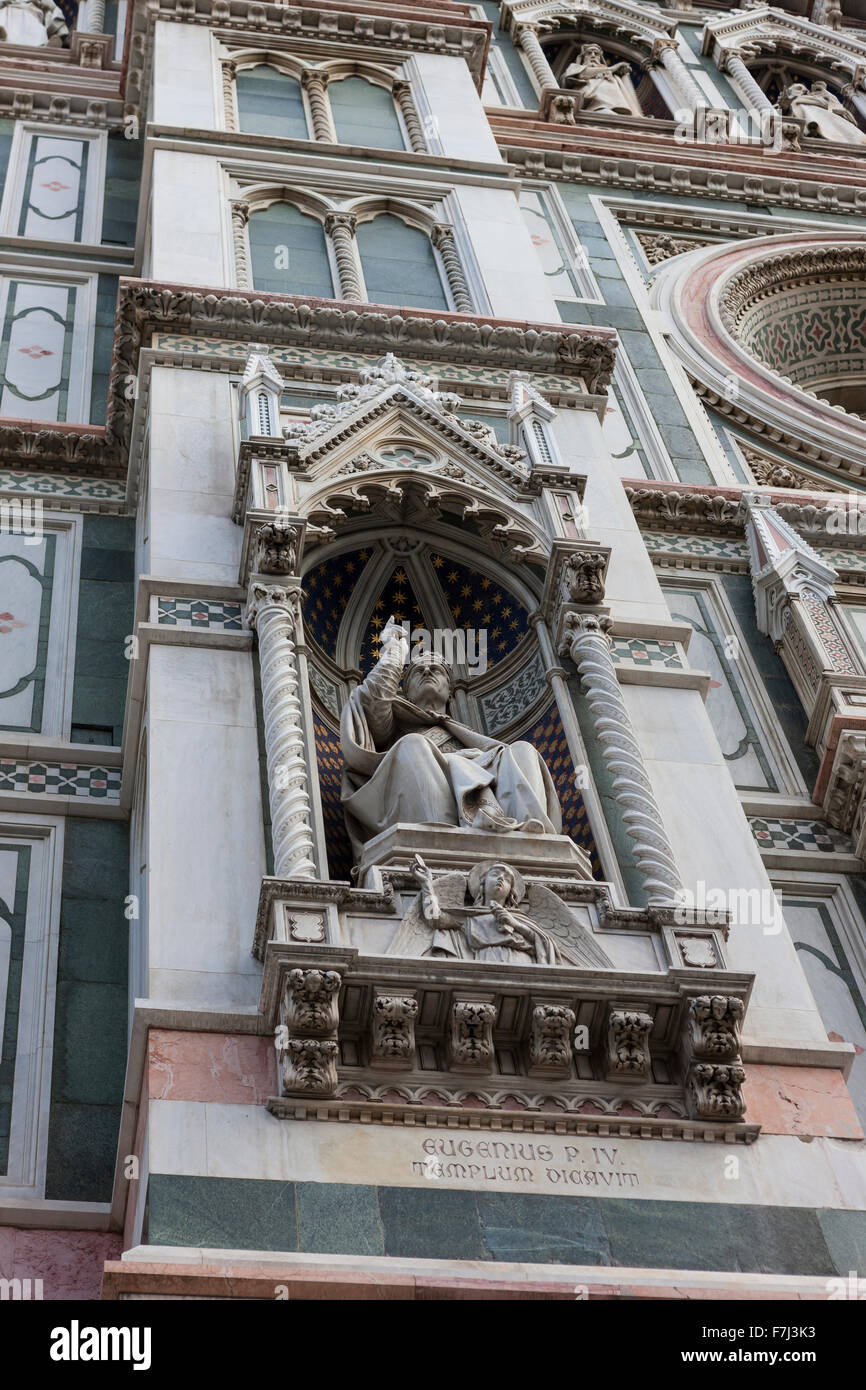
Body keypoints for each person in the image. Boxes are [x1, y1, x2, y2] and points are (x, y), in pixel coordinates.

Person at [340, 615, 561, 859]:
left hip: (478, 770)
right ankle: (440, 838)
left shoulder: (466, 736)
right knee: (413, 744)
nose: (426, 671)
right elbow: (374, 700)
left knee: (522, 749)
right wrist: (394, 655)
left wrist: (467, 759)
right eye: (416, 671)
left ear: (450, 690)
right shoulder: (395, 725)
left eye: (435, 669)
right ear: (406, 692)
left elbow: (494, 758)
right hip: (421, 794)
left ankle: (531, 835)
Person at [562, 43, 643, 118]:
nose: (593, 56)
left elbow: (627, 94)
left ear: (600, 58)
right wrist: (612, 68)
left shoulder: (611, 74)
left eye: (596, 54)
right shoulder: (575, 68)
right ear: (583, 57)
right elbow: (581, 74)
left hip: (615, 109)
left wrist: (624, 73)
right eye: (589, 53)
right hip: (592, 104)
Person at [780, 80, 866, 145]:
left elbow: (838, 108)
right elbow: (779, 115)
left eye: (806, 90)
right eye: (799, 88)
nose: (805, 91)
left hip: (832, 121)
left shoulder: (821, 98)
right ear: (789, 93)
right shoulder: (791, 105)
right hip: (803, 125)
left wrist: (825, 93)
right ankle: (813, 129)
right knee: (800, 106)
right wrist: (785, 106)